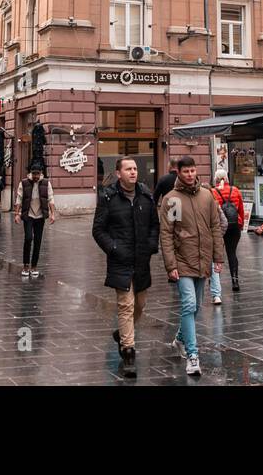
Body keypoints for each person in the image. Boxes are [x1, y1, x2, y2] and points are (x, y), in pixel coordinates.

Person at [92, 155, 159, 378]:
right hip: (120, 260)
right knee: (126, 305)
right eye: (128, 169)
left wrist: (150, 245)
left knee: (140, 304)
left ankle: (121, 333)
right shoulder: (109, 197)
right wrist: (113, 248)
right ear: (118, 173)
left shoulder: (146, 195)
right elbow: (98, 230)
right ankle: (128, 351)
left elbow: (154, 226)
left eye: (135, 169)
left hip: (141, 260)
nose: (133, 172)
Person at [158, 155, 225, 377]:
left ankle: (179, 339)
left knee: (196, 307)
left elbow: (215, 227)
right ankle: (193, 355)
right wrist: (170, 265)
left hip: (203, 258)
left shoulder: (207, 196)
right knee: (188, 304)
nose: (189, 175)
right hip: (182, 260)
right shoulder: (172, 199)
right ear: (178, 172)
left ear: (197, 171)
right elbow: (166, 234)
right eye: (185, 171)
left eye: (193, 171)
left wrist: (218, 257)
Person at [13, 161, 56, 277]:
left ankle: (34, 266)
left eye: (37, 174)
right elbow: (19, 198)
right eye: (33, 174)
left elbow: (51, 198)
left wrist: (52, 214)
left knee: (38, 241)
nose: (35, 176)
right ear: (30, 173)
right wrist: (16, 214)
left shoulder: (46, 183)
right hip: (28, 215)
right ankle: (26, 265)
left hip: (40, 215)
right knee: (28, 238)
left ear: (41, 173)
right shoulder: (24, 183)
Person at [208, 169, 245, 303]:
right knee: (232, 253)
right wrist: (241, 225)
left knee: (216, 254)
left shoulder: (212, 192)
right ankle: (235, 281)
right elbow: (241, 209)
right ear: (227, 178)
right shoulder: (235, 190)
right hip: (235, 225)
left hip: (219, 226)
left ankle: (214, 283)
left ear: (216, 180)